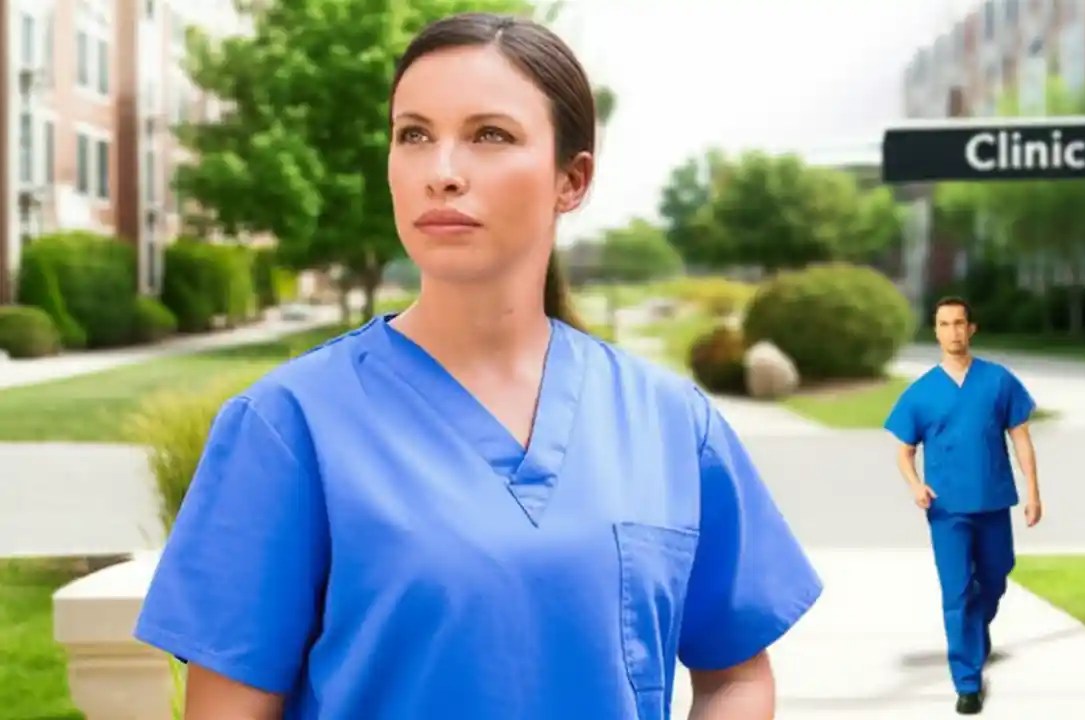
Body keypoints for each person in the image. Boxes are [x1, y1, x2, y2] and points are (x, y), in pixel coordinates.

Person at [131, 12, 822, 720]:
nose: (443, 172)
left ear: (572, 180)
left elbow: (736, 675)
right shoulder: (286, 428)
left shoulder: (670, 423)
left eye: (489, 135)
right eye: (414, 135)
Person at [882, 296, 1042, 716]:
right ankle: (967, 683)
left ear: (971, 329)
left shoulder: (998, 381)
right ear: (935, 331)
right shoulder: (921, 393)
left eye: (959, 323)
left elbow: (1021, 438)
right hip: (946, 509)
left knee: (995, 577)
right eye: (943, 324)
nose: (952, 331)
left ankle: (975, 629)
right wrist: (915, 486)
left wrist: (1034, 491)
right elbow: (903, 451)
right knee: (956, 593)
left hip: (993, 501)